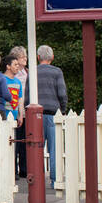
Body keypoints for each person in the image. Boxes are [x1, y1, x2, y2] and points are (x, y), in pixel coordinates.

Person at [33, 45, 68, 190]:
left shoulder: (33, 71)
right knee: (54, 149)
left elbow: (29, 94)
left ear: (38, 57)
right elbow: (62, 93)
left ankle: (38, 180)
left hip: (36, 115)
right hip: (53, 114)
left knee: (37, 148)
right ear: (52, 57)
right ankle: (54, 180)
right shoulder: (57, 72)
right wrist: (63, 109)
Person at [3, 53, 26, 178]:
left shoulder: (17, 81)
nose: (18, 67)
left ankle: (13, 170)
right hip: (5, 115)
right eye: (15, 64)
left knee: (14, 145)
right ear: (8, 66)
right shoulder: (2, 79)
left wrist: (21, 114)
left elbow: (20, 99)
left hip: (15, 114)